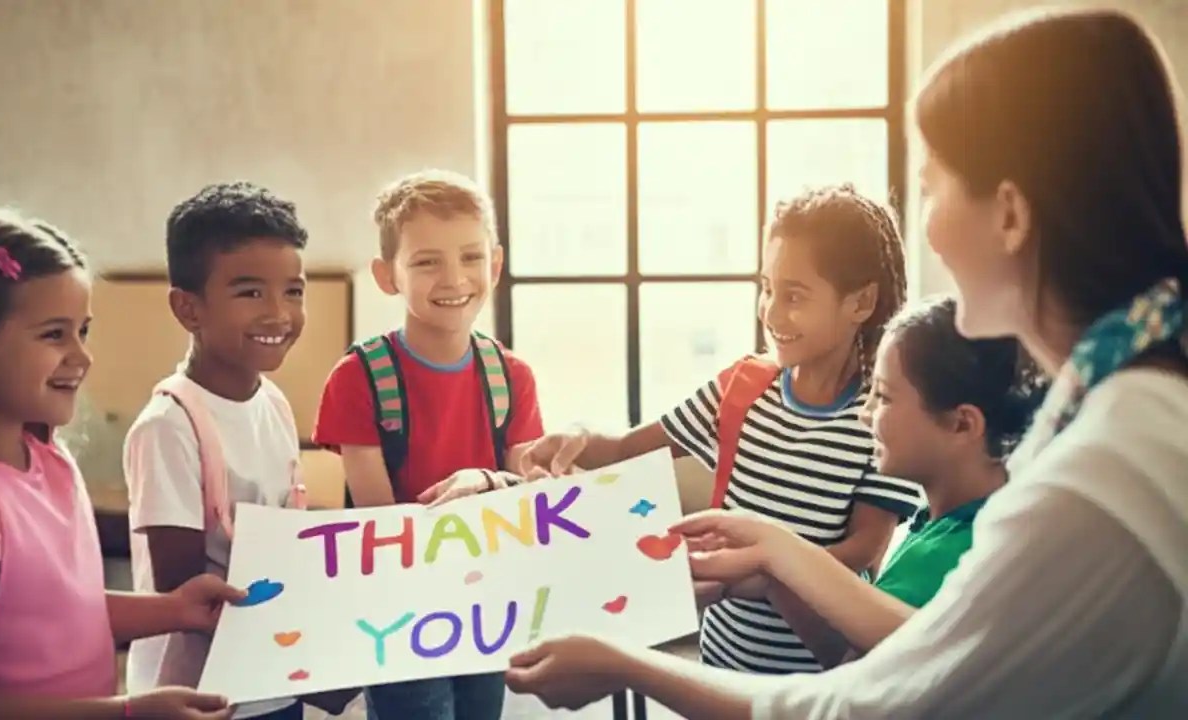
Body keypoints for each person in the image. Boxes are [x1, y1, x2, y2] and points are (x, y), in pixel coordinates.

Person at [503, 9, 1188, 717]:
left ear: (1010, 215)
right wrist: (769, 549)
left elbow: (868, 704)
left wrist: (627, 664)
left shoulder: (1100, 474)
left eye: (931, 189)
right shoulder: (1136, 410)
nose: (930, 231)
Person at [489, 183, 921, 675]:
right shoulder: (742, 388)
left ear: (861, 302)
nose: (772, 313)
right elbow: (628, 447)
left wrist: (765, 567)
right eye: (768, 288)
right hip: (719, 665)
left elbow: (863, 553)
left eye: (795, 296)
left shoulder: (883, 419)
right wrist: (579, 435)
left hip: (816, 682)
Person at [0, 210, 242, 720]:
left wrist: (175, 609)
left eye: (82, 331)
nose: (81, 357)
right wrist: (128, 712)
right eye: (53, 335)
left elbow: (62, 610)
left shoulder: (50, 459)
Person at [692, 297, 1038, 668]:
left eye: (884, 396)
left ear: (962, 424)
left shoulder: (947, 556)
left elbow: (853, 679)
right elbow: (853, 652)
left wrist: (776, 550)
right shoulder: (957, 521)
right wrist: (773, 579)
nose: (864, 413)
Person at [312, 170, 544, 719]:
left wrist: (486, 481)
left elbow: (530, 492)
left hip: (486, 605)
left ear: (496, 262)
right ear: (386, 275)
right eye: (426, 261)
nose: (454, 278)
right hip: (400, 616)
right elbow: (377, 521)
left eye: (470, 257)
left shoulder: (512, 376)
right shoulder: (357, 378)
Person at [125, 183, 354, 719]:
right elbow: (185, 595)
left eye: (293, 291)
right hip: (200, 696)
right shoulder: (168, 426)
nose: (279, 314)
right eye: (250, 293)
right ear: (188, 308)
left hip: (273, 681)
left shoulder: (271, 402)